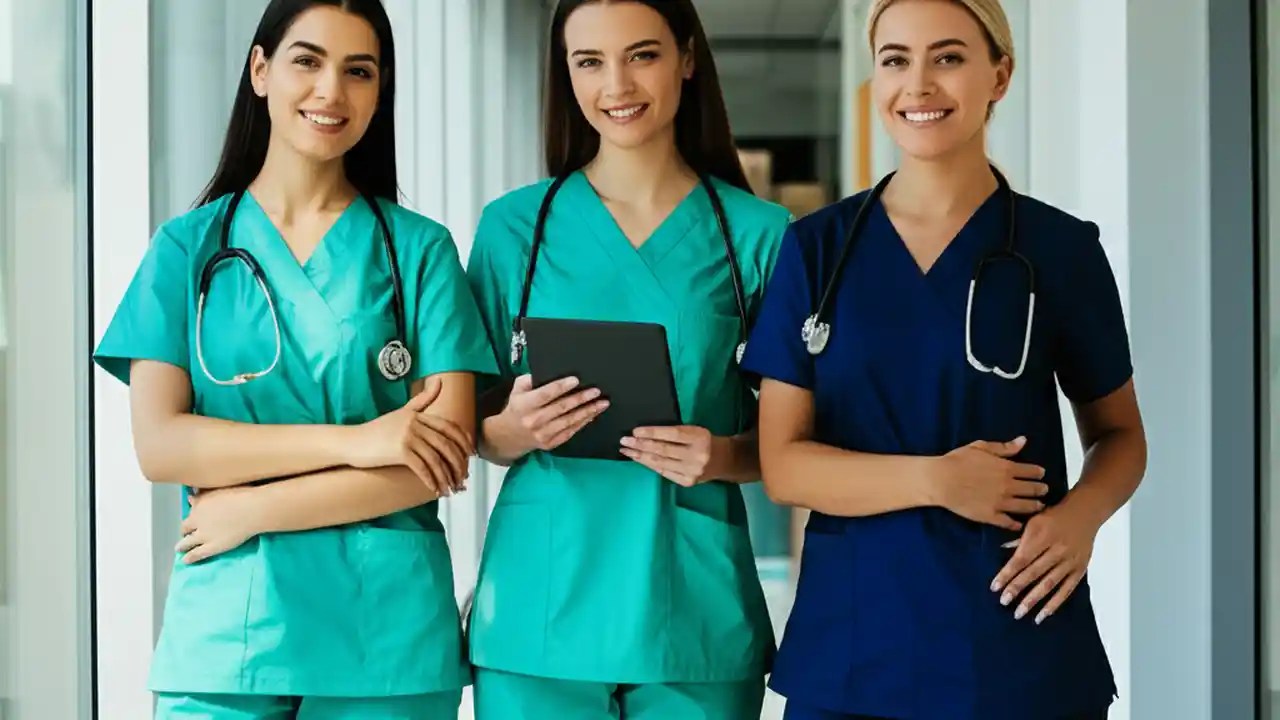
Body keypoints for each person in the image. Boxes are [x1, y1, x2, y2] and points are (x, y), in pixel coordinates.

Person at [740, 1, 1148, 719]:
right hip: (855, 653)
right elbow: (784, 465)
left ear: (1000, 74)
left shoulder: (1061, 252)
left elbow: (1120, 436)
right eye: (896, 59)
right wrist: (938, 480)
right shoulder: (816, 251)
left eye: (949, 57)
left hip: (1016, 648)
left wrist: (1081, 516)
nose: (918, 84)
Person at [93, 1, 497, 717]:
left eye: (359, 71)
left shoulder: (420, 251)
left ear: (381, 90)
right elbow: (162, 445)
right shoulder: (185, 250)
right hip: (229, 632)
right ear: (260, 70)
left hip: (386, 639)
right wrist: (359, 440)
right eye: (307, 61)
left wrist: (255, 507)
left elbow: (437, 458)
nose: (330, 92)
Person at [463, 1, 791, 717]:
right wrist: (512, 430)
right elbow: (469, 423)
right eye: (589, 62)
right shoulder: (514, 227)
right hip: (539, 607)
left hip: (691, 610)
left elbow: (799, 436)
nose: (617, 84)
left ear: (687, 58)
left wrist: (723, 457)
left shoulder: (759, 236)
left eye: (642, 55)